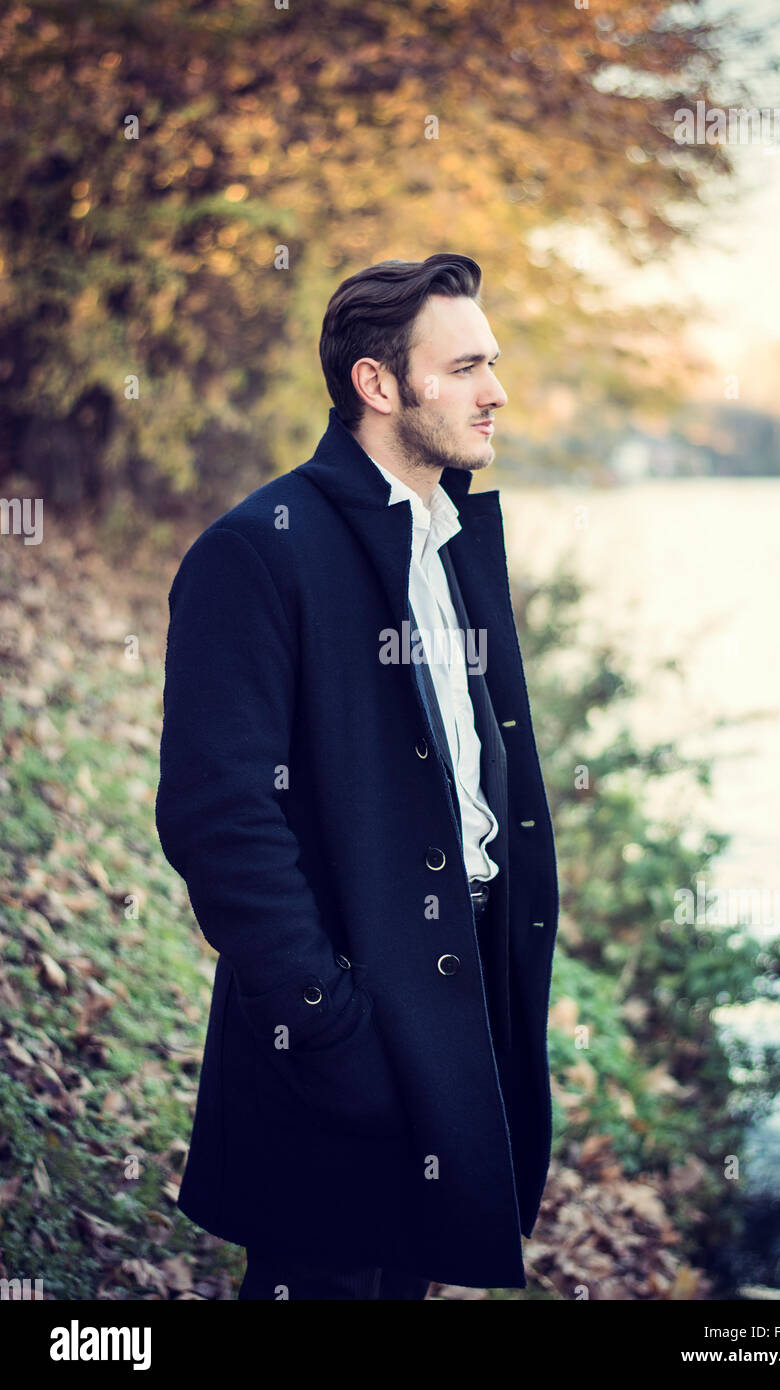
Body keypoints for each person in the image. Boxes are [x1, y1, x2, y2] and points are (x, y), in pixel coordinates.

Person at [155, 252, 560, 1300]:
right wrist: (326, 1026)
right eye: (465, 365)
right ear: (378, 385)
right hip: (339, 1012)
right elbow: (219, 819)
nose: (495, 391)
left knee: (403, 1281)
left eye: (493, 363)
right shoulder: (256, 551)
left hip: (460, 990)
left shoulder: (448, 540)